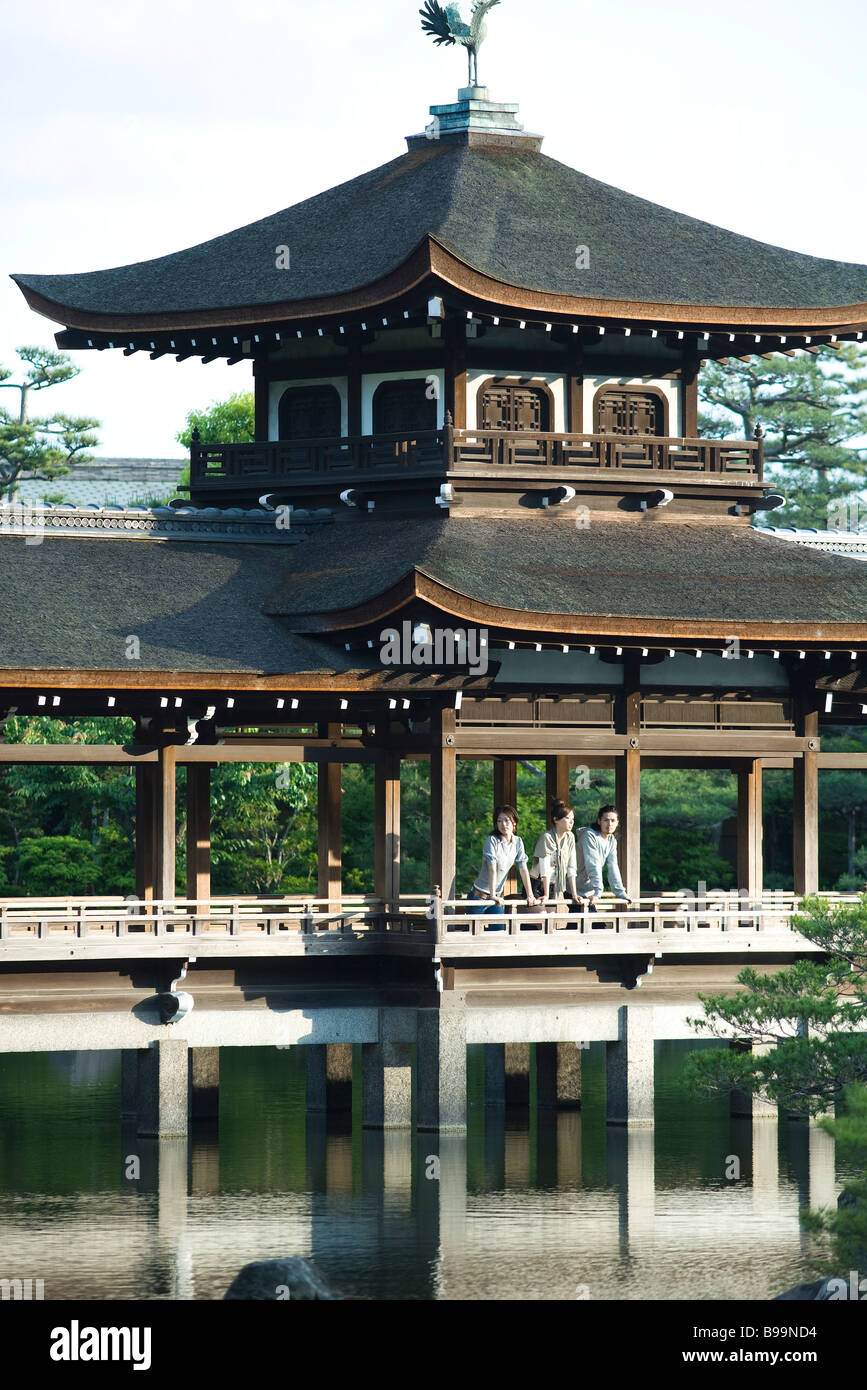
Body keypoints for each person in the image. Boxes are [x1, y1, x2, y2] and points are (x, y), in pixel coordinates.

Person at [467, 804, 542, 930]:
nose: (503, 824)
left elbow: (523, 869)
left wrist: (530, 895)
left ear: (514, 822)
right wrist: (492, 895)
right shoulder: (492, 840)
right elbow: (492, 868)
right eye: (499, 821)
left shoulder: (518, 842)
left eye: (507, 820)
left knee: (498, 931)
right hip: (479, 896)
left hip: (497, 897)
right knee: (472, 933)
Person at [532, 799, 585, 923]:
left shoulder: (570, 836)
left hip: (553, 886)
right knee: (541, 918)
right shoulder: (547, 837)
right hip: (537, 883)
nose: (571, 822)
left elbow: (571, 867)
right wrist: (545, 894)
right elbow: (545, 868)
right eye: (567, 818)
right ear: (556, 819)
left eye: (572, 818)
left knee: (550, 922)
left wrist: (574, 894)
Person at [575, 805, 632, 918]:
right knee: (593, 925)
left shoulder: (611, 840)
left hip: (589, 891)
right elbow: (593, 864)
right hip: (574, 888)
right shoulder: (589, 835)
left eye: (613, 820)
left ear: (617, 823)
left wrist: (621, 893)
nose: (609, 824)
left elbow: (613, 867)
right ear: (599, 821)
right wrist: (598, 891)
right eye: (606, 820)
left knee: (585, 926)